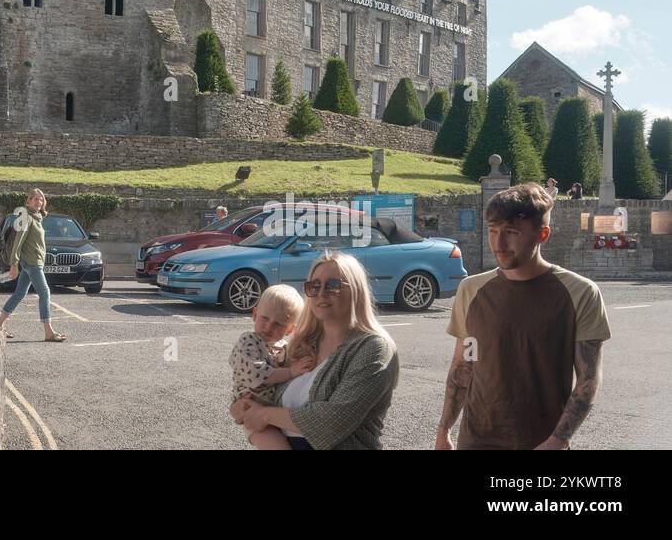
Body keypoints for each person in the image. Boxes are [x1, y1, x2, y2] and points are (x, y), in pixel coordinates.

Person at [437, 182, 610, 450]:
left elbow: (588, 378)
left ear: (542, 234)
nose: (499, 243)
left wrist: (559, 439)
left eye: (511, 232)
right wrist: (444, 429)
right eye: (493, 231)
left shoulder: (581, 293)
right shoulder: (471, 290)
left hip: (541, 442)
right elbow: (463, 364)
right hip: (475, 441)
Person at [231, 252, 399, 449]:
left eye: (333, 285)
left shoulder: (373, 348)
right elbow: (263, 386)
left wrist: (265, 415)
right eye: (314, 286)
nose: (321, 293)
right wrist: (240, 406)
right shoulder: (304, 343)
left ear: (355, 290)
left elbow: (331, 423)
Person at [229, 284, 315, 448]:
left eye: (279, 324)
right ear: (255, 314)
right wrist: (291, 371)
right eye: (265, 318)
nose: (268, 327)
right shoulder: (248, 342)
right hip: (250, 410)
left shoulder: (283, 347)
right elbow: (259, 374)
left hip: (273, 411)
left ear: (290, 329)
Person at [0, 189, 65, 343]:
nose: (39, 202)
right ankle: (48, 332)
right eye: (35, 199)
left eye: (41, 199)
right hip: (32, 263)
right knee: (44, 293)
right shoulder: (26, 217)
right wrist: (14, 264)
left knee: (19, 294)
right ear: (28, 201)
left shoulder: (37, 218)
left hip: (33, 261)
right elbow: (18, 242)